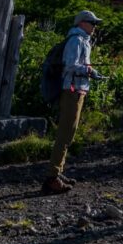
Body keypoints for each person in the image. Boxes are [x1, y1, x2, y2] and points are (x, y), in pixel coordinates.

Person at [44, 10, 101, 194]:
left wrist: (88, 70)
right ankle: (52, 177)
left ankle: (58, 172)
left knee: (70, 133)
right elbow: (70, 64)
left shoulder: (83, 40)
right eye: (92, 22)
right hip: (71, 91)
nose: (94, 26)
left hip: (78, 90)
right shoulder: (76, 40)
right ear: (82, 23)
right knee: (65, 134)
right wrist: (89, 71)